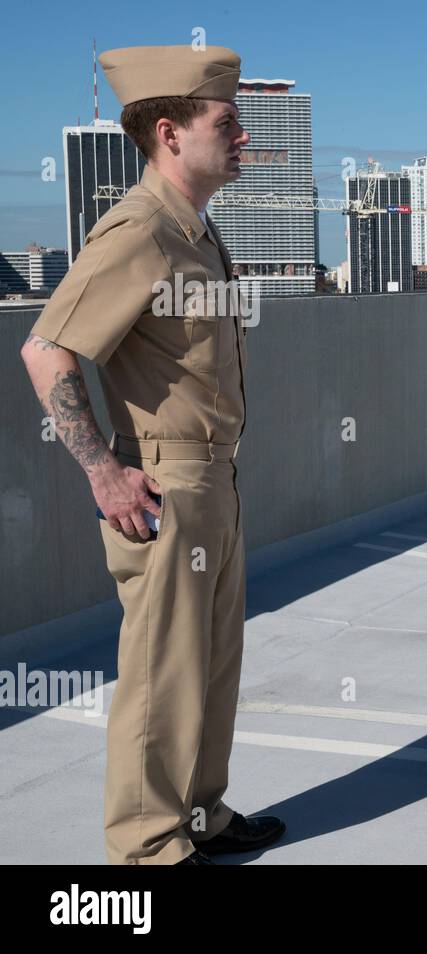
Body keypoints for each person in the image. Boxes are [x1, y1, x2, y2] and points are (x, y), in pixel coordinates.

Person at [20, 44, 285, 864]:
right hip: (163, 479)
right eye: (227, 122)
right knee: (160, 676)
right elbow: (45, 352)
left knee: (209, 668)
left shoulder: (195, 231)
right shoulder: (139, 229)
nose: (243, 135)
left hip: (215, 476)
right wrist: (104, 470)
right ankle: (145, 850)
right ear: (170, 133)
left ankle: (200, 815)